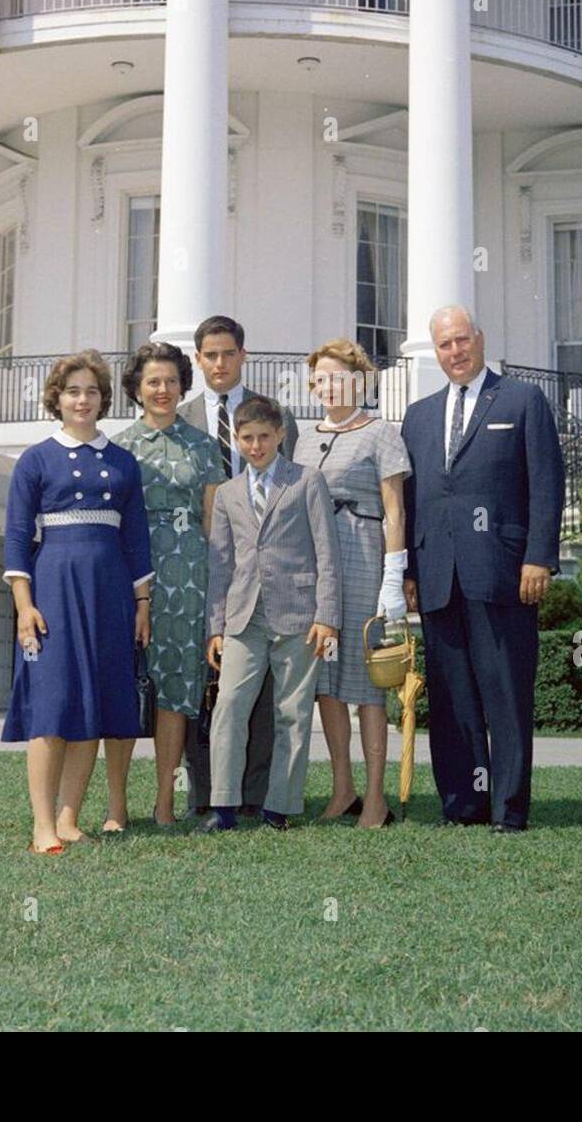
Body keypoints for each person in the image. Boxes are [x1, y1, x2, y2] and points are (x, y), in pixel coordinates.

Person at [400, 306, 565, 832]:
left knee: (506, 693)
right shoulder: (419, 415)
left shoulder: (521, 400)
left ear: (480, 339)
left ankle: (509, 809)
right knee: (452, 699)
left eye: (462, 340)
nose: (455, 351)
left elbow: (545, 482)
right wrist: (407, 569)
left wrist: (539, 556)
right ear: (436, 350)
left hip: (502, 571)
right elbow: (412, 495)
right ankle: (464, 804)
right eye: (445, 344)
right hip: (436, 574)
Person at [1, 349, 153, 853]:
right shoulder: (35, 459)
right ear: (57, 399)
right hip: (54, 588)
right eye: (72, 391)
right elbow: (18, 538)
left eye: (90, 391)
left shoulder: (122, 461)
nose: (81, 399)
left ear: (102, 398)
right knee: (52, 703)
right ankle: (42, 825)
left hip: (110, 588)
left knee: (96, 700)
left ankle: (69, 817)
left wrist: (142, 603)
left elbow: (137, 539)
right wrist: (25, 605)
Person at [197, 396, 341, 832]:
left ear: (280, 435)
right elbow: (220, 563)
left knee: (292, 712)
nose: (256, 446)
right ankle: (223, 807)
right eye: (247, 438)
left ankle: (279, 807)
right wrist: (215, 627)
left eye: (264, 437)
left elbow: (326, 554)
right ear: (236, 441)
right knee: (229, 706)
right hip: (243, 618)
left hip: (299, 615)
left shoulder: (307, 481)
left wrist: (327, 615)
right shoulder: (227, 494)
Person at [177, 315, 300, 815]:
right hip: (198, 564)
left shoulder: (275, 416)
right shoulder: (182, 417)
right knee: (202, 684)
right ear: (199, 359)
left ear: (242, 355)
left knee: (264, 687)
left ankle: (256, 794)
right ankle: (202, 791)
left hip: (264, 571)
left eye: (228, 353)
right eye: (210, 355)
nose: (220, 363)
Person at [293, 339, 411, 829]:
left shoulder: (381, 433)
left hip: (363, 555)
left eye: (338, 377)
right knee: (327, 683)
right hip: (317, 566)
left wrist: (393, 577)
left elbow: (395, 510)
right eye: (320, 378)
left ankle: (378, 798)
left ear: (359, 381)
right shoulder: (301, 438)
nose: (328, 386)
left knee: (367, 684)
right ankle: (343, 789)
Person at [111, 342, 226, 826]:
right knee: (121, 684)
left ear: (183, 386)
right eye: (153, 382)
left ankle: (164, 802)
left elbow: (212, 521)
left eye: (172, 381)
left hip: (187, 573)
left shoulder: (202, 445)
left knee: (176, 687)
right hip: (129, 569)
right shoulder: (118, 448)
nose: (163, 390)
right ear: (137, 388)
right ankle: (116, 806)